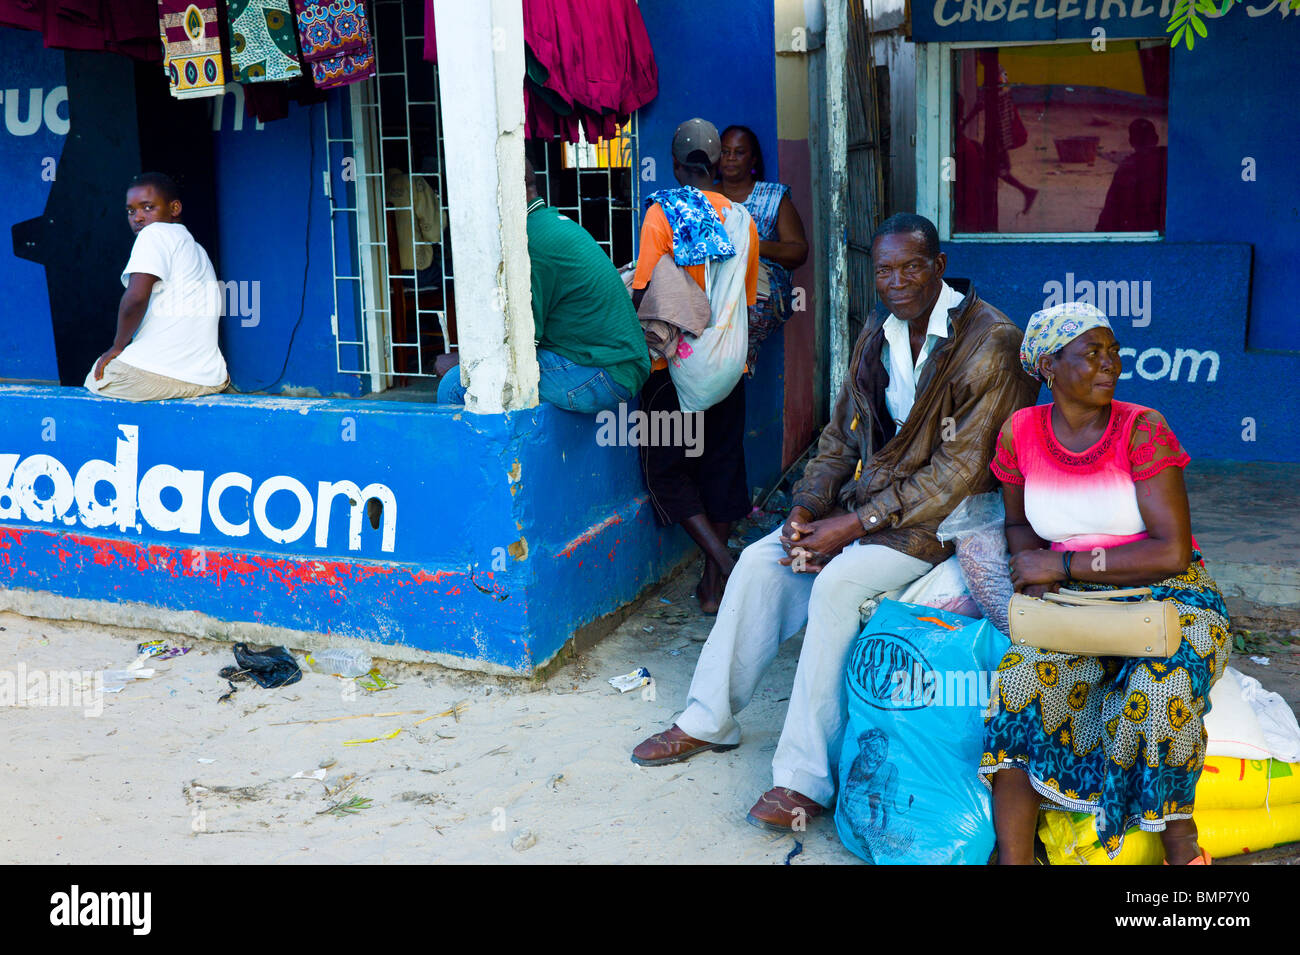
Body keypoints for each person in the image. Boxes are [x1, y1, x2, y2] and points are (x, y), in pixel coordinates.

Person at [630, 213, 1040, 830]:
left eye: (910, 267)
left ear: (939, 267)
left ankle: (805, 779)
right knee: (764, 561)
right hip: (872, 506)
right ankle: (708, 719)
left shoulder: (992, 343)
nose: (896, 281)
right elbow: (840, 437)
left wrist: (854, 527)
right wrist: (805, 508)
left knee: (837, 584)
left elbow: (961, 474)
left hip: (947, 521)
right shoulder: (880, 329)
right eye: (884, 270)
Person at [980, 302, 1229, 865]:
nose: (1109, 364)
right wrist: (1034, 575)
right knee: (1020, 686)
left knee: (1159, 689)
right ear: (1047, 365)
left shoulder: (1141, 428)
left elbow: (1170, 551)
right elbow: (1019, 524)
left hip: (1170, 597)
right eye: (1091, 352)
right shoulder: (1020, 432)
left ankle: (1181, 847)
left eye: (1112, 351)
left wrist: (1062, 567)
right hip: (1073, 602)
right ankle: (1014, 858)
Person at [629, 118, 759, 615]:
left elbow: (646, 293)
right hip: (728, 365)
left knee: (666, 471)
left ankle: (724, 564)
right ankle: (712, 588)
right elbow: (743, 297)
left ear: (678, 165)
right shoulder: (744, 221)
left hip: (673, 369)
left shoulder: (663, 213)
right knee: (722, 466)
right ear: (716, 163)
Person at [437, 159, 650, 413]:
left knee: (455, 384)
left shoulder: (528, 242)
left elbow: (520, 343)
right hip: (614, 365)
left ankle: (478, 455)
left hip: (604, 374)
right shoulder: (548, 223)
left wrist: (463, 360)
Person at [86, 172, 229, 401]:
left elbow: (135, 298)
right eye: (131, 211)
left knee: (98, 375)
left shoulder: (154, 234)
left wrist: (117, 346)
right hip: (208, 378)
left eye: (148, 207)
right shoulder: (198, 250)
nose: (138, 218)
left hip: (157, 377)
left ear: (174, 208)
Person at [715, 124, 808, 372]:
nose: (731, 158)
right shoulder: (705, 196)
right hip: (712, 289)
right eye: (725, 152)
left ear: (753, 159)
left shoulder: (773, 197)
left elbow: (798, 251)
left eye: (739, 152)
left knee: (728, 360)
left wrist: (750, 246)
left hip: (758, 293)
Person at [1095, 118, 1167, 233]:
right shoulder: (1170, 162)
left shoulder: (1127, 169)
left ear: (1131, 141)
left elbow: (1110, 212)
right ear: (1156, 139)